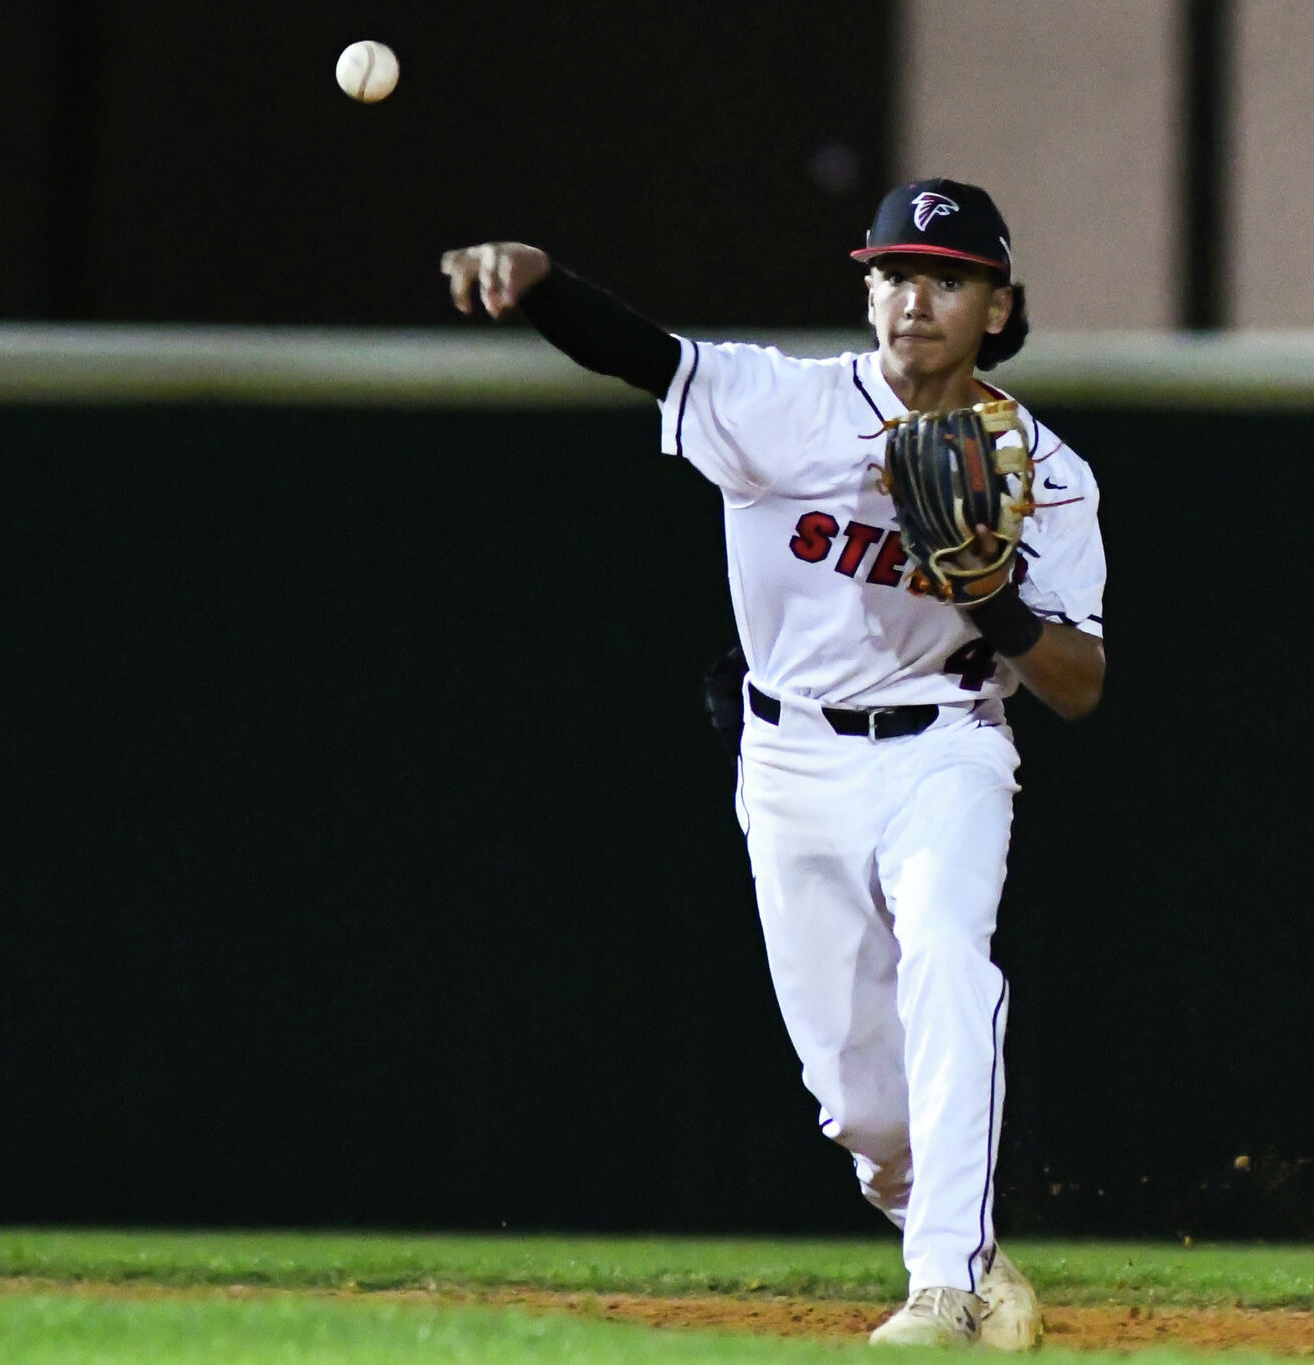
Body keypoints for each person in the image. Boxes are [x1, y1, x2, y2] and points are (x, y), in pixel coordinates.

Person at [442, 178, 1105, 1350]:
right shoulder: (781, 403)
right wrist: (540, 281)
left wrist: (989, 601)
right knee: (854, 1104)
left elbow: (1076, 683)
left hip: (945, 747)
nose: (916, 299)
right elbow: (639, 353)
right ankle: (953, 1236)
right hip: (789, 759)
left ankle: (943, 1286)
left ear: (996, 310)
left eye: (947, 280)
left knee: (948, 962)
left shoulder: (1041, 469)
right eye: (895, 274)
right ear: (866, 291)